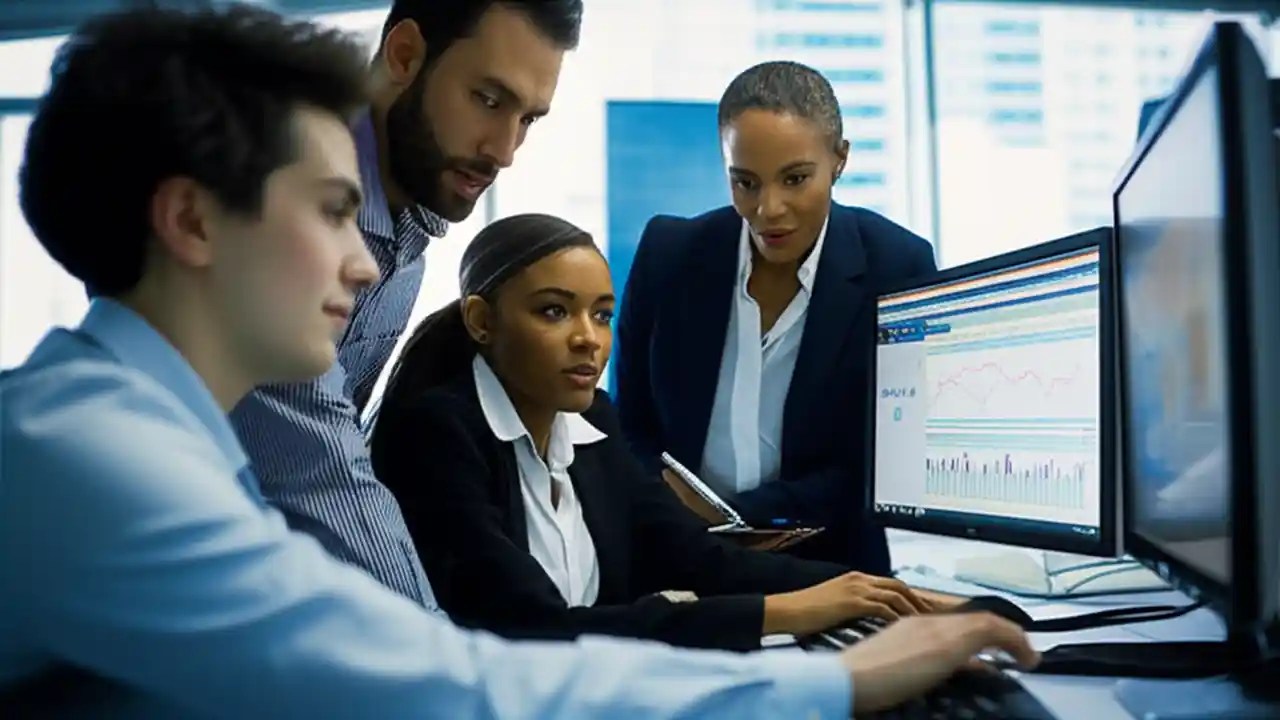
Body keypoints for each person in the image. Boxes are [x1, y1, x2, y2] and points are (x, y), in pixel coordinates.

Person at [0, 6, 1041, 718]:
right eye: (329, 211)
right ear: (191, 221)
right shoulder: (89, 458)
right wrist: (840, 686)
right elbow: (447, 687)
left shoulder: (137, 437)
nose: (367, 259)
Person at [367, 213, 949, 652]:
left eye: (601, 314)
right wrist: (791, 612)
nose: (588, 339)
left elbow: (698, 560)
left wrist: (872, 591)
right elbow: (532, 627)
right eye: (553, 311)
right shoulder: (436, 436)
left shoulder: (592, 424)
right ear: (481, 321)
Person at [228, 0, 582, 608]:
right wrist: (440, 653)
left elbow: (342, 454)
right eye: (489, 100)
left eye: (528, 120)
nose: (505, 150)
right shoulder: (282, 200)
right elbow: (320, 474)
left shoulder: (410, 244)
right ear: (405, 55)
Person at [614, 61, 939, 572]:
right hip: (677, 563)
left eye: (795, 179)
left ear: (839, 160)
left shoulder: (898, 264)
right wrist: (671, 522)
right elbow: (629, 427)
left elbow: (878, 465)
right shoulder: (669, 254)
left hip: (831, 571)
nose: (769, 209)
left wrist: (732, 520)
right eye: (745, 182)